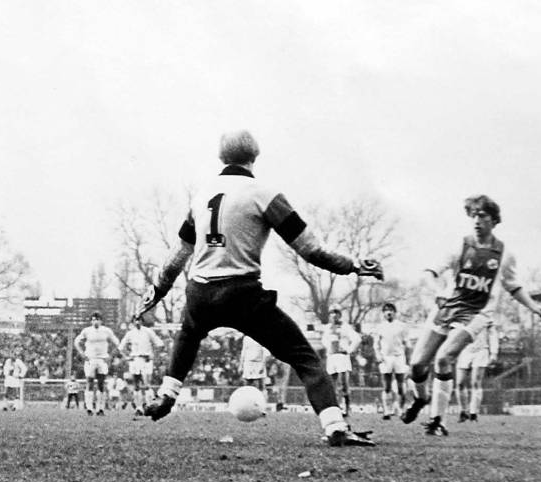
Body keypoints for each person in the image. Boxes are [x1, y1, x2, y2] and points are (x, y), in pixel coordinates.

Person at [138, 130, 382, 446]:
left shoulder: (200, 197)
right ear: (255, 155)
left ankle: (166, 395)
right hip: (242, 294)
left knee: (189, 332)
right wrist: (355, 265)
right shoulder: (264, 194)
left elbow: (177, 257)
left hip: (200, 292)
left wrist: (157, 291)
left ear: (221, 157)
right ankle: (335, 425)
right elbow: (311, 251)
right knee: (305, 359)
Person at [401, 195, 541, 436]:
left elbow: (513, 286)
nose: (477, 221)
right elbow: (429, 273)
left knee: (444, 358)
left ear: (494, 220)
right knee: (417, 365)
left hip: (477, 313)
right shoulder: (460, 246)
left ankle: (437, 421)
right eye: (473, 216)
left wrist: (534, 306)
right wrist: (438, 292)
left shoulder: (504, 254)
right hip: (448, 306)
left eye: (482, 216)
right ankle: (421, 399)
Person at [74, 313, 121, 416]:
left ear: (101, 321)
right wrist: (81, 353)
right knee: (89, 382)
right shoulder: (87, 331)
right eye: (93, 320)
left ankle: (100, 408)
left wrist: (111, 355)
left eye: (97, 319)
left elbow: (117, 343)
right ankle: (89, 408)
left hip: (102, 359)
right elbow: (76, 341)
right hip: (90, 359)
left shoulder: (106, 331)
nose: (95, 321)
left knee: (101, 383)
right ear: (91, 321)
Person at [372, 302, 410, 420]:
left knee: (400, 385)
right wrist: (378, 355)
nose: (389, 313)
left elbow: (407, 343)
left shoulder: (401, 326)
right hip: (386, 358)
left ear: (395, 312)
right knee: (387, 385)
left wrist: (408, 359)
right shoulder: (380, 327)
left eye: (391, 310)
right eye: (386, 311)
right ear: (383, 313)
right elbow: (376, 344)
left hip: (399, 357)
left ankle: (401, 409)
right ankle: (387, 411)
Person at [455, 321, 497, 422]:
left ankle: (473, 413)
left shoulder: (486, 316)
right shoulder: (462, 314)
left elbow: (493, 333)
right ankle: (463, 411)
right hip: (464, 350)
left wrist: (494, 353)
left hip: (481, 350)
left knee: (475, 382)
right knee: (460, 383)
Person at [321, 308, 360, 415]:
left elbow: (357, 339)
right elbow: (324, 340)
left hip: (342, 357)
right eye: (332, 313)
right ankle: (335, 408)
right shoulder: (328, 328)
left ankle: (346, 408)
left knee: (343, 383)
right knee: (331, 384)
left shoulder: (345, 327)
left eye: (336, 313)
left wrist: (349, 349)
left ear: (339, 315)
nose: (334, 315)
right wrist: (328, 347)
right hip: (332, 357)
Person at [119, 315, 162, 411]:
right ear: (133, 322)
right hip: (135, 360)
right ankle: (139, 408)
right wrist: (127, 357)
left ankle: (149, 406)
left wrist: (153, 355)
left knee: (147, 384)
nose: (137, 322)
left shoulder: (148, 331)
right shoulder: (130, 333)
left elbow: (159, 344)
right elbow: (121, 347)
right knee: (136, 385)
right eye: (135, 320)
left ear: (142, 321)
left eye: (139, 320)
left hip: (146, 360)